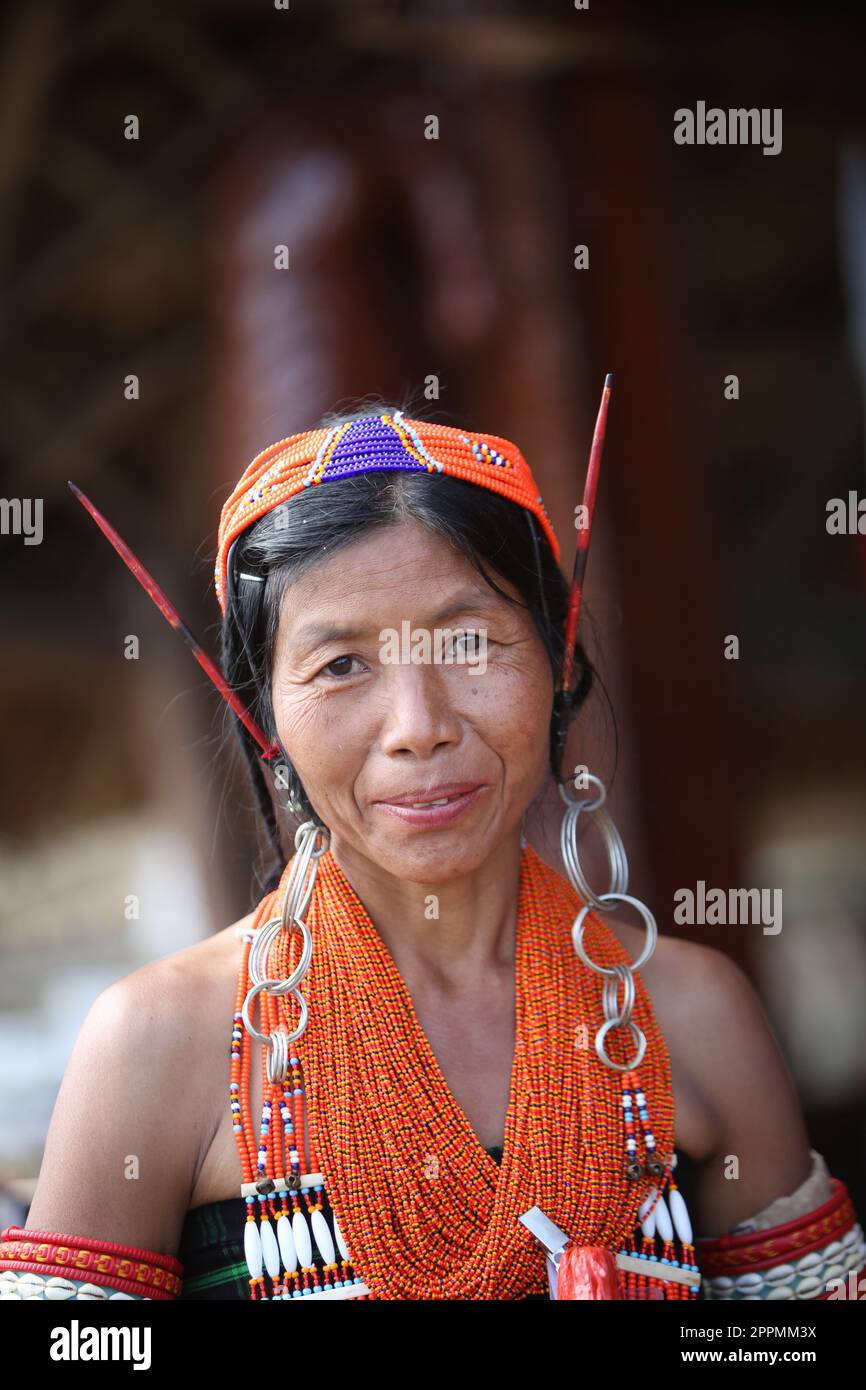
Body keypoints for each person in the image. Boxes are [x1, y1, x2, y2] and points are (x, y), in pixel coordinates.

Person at [2, 404, 863, 1301]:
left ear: (559, 661)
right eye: (341, 665)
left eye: (467, 642)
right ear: (264, 714)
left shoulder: (692, 1017)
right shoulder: (158, 1042)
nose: (419, 727)